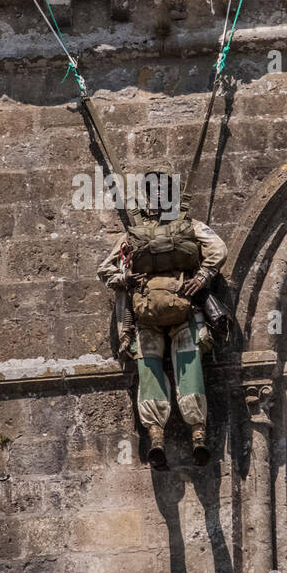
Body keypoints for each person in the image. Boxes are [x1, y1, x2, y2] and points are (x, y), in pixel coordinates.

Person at [97, 170, 227, 469]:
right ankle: (163, 435)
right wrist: (126, 279)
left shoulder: (183, 227)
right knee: (157, 369)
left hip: (176, 312)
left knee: (181, 369)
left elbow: (218, 251)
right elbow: (106, 270)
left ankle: (194, 433)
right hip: (150, 315)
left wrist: (203, 276)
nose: (156, 196)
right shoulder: (146, 233)